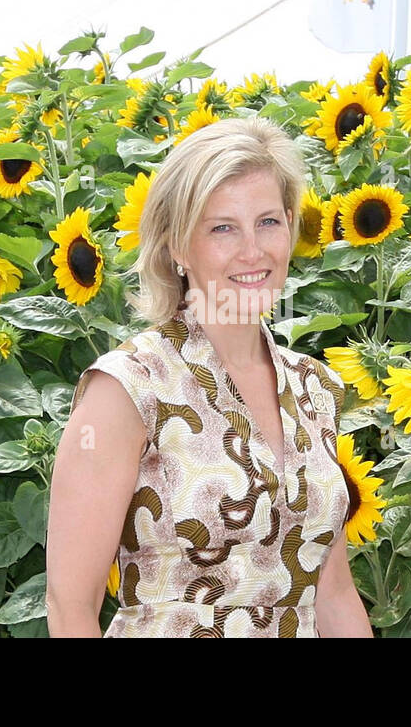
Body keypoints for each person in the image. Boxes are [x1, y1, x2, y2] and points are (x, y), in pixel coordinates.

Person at [46, 116, 373, 637]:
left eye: (268, 222)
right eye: (223, 227)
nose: (253, 250)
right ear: (177, 245)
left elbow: (331, 594)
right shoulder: (129, 387)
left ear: (291, 226)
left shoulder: (315, 388)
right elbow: (69, 607)